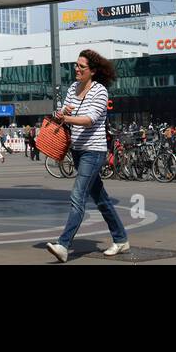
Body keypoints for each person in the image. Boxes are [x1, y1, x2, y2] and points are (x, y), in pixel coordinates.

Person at [45, 50, 129, 262]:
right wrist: (60, 114)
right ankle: (121, 239)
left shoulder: (100, 91)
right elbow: (64, 112)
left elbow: (90, 119)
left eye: (82, 67)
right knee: (102, 200)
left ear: (92, 71)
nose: (77, 69)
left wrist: (67, 117)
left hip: (94, 151)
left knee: (78, 195)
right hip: (77, 150)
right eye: (76, 65)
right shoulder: (73, 88)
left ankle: (63, 245)